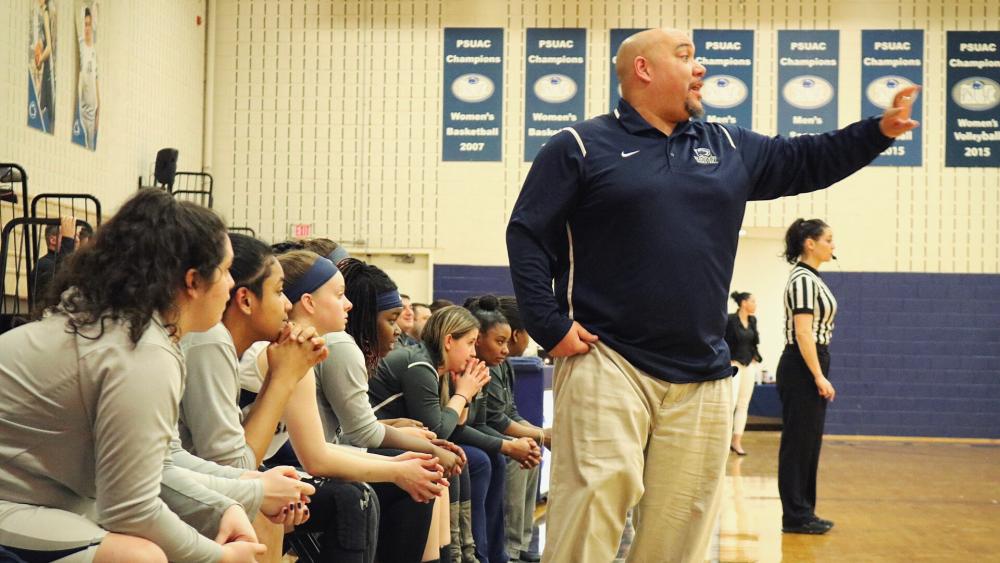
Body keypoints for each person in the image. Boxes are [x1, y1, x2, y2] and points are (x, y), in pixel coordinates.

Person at [505, 27, 919, 563]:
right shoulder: (579, 146)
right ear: (643, 70)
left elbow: (805, 159)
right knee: (591, 513)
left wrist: (878, 131)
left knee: (682, 532)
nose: (700, 68)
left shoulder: (726, 144)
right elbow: (528, 234)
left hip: (702, 373)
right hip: (607, 360)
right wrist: (549, 324)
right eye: (685, 57)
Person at [0, 189, 266, 563]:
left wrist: (224, 508)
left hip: (29, 500)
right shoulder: (141, 350)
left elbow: (157, 469)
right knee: (138, 557)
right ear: (192, 281)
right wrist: (218, 557)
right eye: (224, 272)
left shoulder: (119, 324)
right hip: (12, 504)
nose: (230, 285)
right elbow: (130, 509)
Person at [283, 251, 462, 562]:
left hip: (294, 465)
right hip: (281, 472)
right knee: (371, 492)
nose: (348, 303)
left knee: (423, 471)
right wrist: (400, 467)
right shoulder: (335, 346)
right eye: (339, 296)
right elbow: (346, 440)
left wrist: (403, 457)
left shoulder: (304, 348)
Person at [370, 306, 538, 563]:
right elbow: (439, 429)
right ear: (449, 341)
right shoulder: (420, 364)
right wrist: (463, 394)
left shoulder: (435, 365)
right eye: (470, 343)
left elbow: (452, 428)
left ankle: (466, 553)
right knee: (454, 461)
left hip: (398, 438)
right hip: (371, 442)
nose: (473, 351)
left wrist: (464, 397)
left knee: (469, 460)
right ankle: (457, 555)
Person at [472, 295, 548, 563]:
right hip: (477, 436)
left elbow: (510, 411)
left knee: (529, 448)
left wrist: (536, 435)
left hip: (486, 431)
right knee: (516, 457)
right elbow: (495, 421)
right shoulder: (484, 366)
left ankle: (522, 542)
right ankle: (510, 548)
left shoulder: (503, 364)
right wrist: (539, 435)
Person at [777, 219, 838, 535]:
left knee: (809, 441)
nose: (833, 245)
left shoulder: (813, 279)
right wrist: (817, 375)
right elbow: (803, 332)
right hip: (802, 364)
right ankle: (794, 515)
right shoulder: (802, 280)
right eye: (828, 239)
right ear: (809, 243)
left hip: (812, 361)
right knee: (798, 442)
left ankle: (805, 511)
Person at [725, 291, 762, 456]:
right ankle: (724, 442)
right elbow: (724, 341)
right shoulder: (730, 320)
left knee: (743, 404)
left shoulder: (753, 320)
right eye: (753, 301)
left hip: (749, 365)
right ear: (744, 303)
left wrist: (755, 356)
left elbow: (754, 342)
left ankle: (736, 441)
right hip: (733, 364)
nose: (755, 304)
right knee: (730, 404)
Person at [32, 216, 77, 302]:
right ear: (53, 240)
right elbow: (61, 281)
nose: (75, 240)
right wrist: (67, 242)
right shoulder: (45, 264)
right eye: (70, 237)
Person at [78, 6, 100, 149]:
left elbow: (96, 80)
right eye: (85, 25)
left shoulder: (95, 52)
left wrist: (99, 106)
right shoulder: (81, 47)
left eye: (89, 25)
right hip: (82, 108)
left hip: (92, 110)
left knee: (90, 145)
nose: (87, 28)